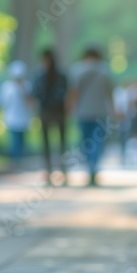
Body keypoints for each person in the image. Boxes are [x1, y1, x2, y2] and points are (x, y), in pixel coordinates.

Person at [68, 46, 114, 186]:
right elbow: (110, 93)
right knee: (98, 142)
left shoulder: (77, 69)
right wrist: (114, 110)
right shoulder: (105, 70)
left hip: (83, 112)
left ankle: (89, 166)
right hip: (101, 111)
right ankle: (94, 166)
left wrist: (70, 107)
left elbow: (74, 92)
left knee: (85, 142)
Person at [31, 48, 69, 186]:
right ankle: (62, 172)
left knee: (48, 143)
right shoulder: (61, 75)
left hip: (47, 112)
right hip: (59, 112)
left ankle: (50, 172)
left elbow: (34, 93)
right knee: (61, 143)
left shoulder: (40, 75)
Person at [0, 60, 32, 165]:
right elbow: (1, 102)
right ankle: (14, 162)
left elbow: (31, 102)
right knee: (14, 142)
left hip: (24, 119)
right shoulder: (6, 86)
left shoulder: (27, 86)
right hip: (11, 119)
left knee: (21, 142)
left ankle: (19, 161)